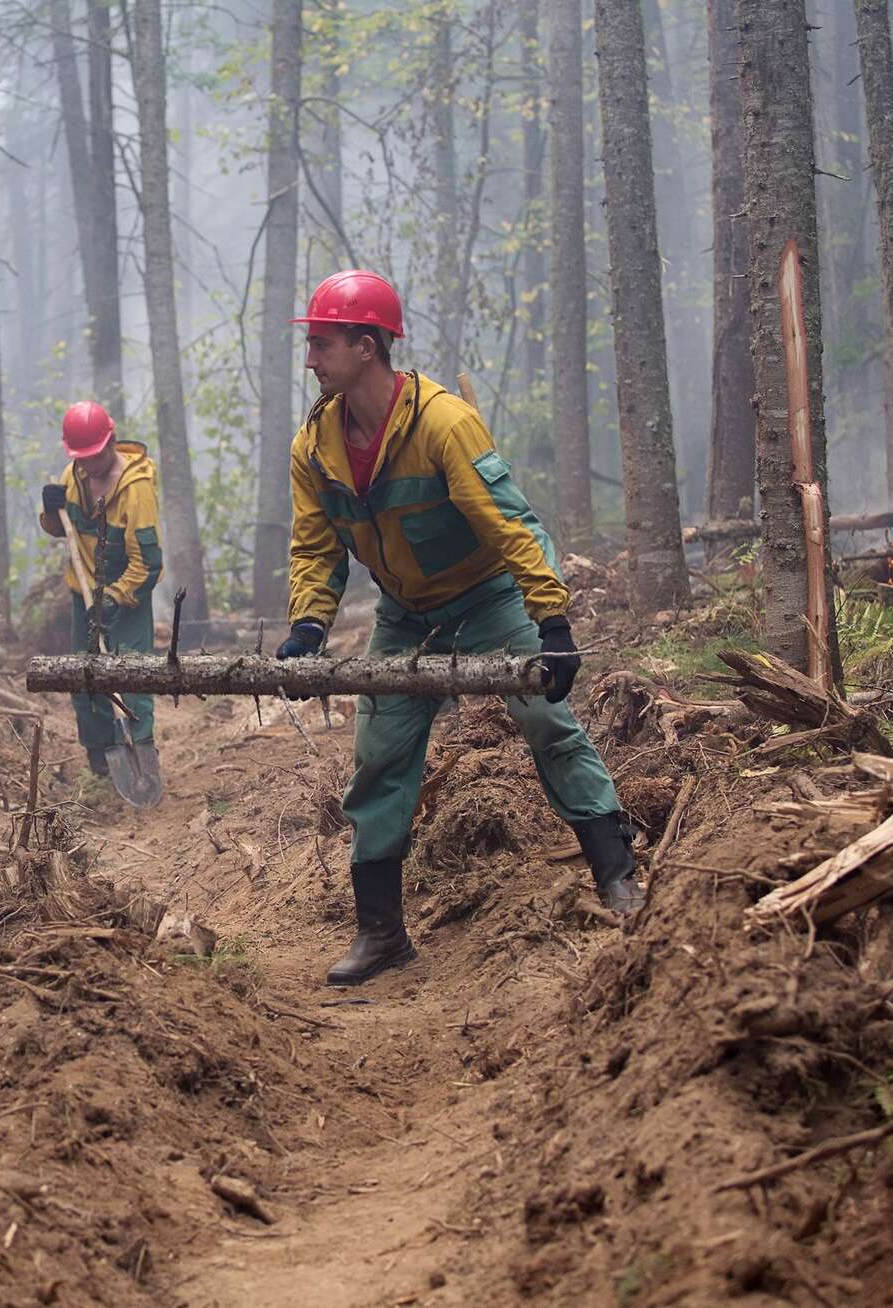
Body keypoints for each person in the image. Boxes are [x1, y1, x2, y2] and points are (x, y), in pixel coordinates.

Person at [275, 269, 644, 987]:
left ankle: (617, 877)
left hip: (488, 598)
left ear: (368, 346)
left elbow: (509, 523)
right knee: (379, 753)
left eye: (322, 343)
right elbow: (315, 549)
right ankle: (381, 933)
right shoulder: (314, 446)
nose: (310, 358)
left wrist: (551, 618)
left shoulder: (444, 422)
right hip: (404, 613)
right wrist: (308, 629)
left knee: (546, 721)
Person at [37, 401, 162, 778]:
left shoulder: (137, 488)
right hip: (84, 594)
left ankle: (141, 752)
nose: (90, 465)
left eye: (95, 455)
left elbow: (149, 563)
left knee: (132, 674)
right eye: (82, 458)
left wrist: (115, 598)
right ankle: (100, 756)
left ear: (111, 440)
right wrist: (50, 511)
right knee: (85, 675)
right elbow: (61, 529)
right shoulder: (72, 477)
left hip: (129, 597)